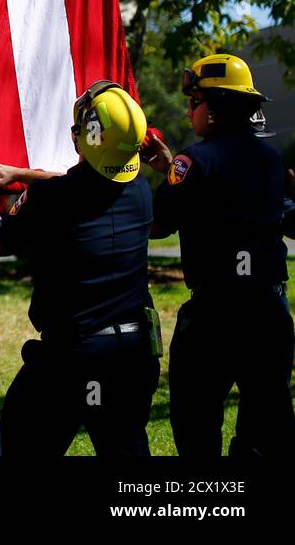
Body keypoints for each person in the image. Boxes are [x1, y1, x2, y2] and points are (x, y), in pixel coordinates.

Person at [0, 80, 160, 456]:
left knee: (19, 446)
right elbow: (82, 185)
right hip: (133, 353)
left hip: (72, 358)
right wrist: (24, 174)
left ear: (87, 138)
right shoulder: (140, 190)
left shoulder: (50, 199)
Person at [144, 53, 294, 456]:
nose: (190, 109)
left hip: (214, 320)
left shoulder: (194, 161)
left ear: (216, 108)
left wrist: (166, 171)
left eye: (195, 101)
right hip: (269, 313)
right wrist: (172, 170)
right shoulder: (272, 160)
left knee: (196, 427)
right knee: (267, 427)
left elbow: (158, 224)